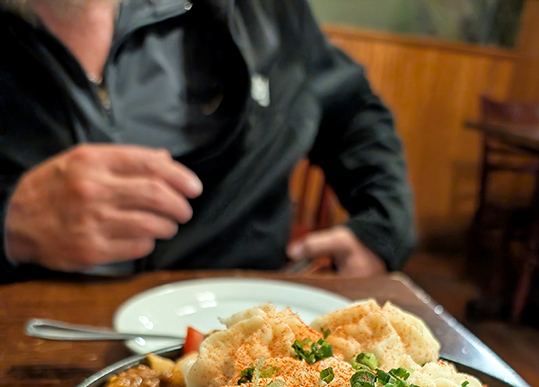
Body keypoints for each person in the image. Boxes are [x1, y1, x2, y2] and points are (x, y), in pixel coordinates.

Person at [0, 0, 416, 283]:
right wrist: (8, 222)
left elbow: (351, 108)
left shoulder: (261, 12)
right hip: (29, 349)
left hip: (241, 345)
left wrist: (381, 230)